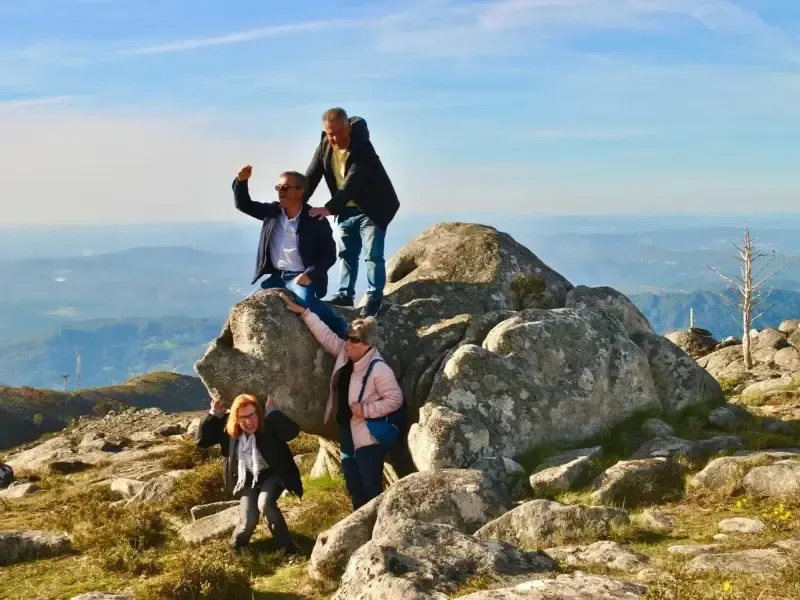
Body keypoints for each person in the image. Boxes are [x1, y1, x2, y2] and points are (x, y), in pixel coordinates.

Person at [279, 291, 403, 510]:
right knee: (353, 483)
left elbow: (395, 399)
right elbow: (325, 335)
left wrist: (365, 410)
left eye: (353, 339)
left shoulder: (379, 369)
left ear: (367, 344)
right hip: (347, 430)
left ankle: (377, 526)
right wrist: (304, 313)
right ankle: (359, 522)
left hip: (368, 438)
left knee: (370, 486)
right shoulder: (345, 355)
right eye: (347, 336)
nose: (347, 342)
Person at [304, 107, 400, 318]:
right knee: (346, 254)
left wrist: (329, 208)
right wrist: (296, 201)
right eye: (331, 134)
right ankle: (345, 295)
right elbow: (311, 177)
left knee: (373, 255)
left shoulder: (362, 146)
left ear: (349, 127)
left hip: (371, 209)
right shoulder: (324, 147)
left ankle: (375, 297)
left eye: (340, 132)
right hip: (345, 211)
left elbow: (352, 183)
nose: (336, 138)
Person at [233, 166, 347, 337]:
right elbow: (243, 204)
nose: (281, 192)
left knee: (306, 303)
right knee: (246, 306)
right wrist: (241, 182)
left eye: (286, 187)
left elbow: (329, 254)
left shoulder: (314, 219)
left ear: (300, 191)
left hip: (300, 276)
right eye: (278, 188)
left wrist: (310, 274)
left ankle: (344, 328)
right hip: (277, 277)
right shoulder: (272, 212)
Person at [196, 393, 302, 553]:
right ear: (236, 418)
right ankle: (236, 549)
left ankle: (287, 550)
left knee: (265, 504)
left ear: (258, 413)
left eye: (252, 415)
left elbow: (291, 432)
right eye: (242, 417)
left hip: (273, 475)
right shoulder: (229, 430)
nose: (248, 421)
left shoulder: (268, 424)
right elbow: (202, 441)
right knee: (248, 521)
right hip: (246, 480)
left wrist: (272, 412)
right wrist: (214, 414)